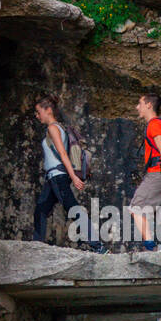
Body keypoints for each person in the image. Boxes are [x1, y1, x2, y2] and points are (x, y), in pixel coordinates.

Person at [32, 95, 106, 252]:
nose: (37, 116)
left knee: (73, 209)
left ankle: (98, 246)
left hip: (58, 177)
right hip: (53, 178)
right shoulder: (59, 128)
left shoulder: (53, 128)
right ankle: (36, 246)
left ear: (48, 110)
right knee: (40, 209)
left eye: (39, 112)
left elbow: (63, 154)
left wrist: (73, 176)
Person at [130, 92, 161, 251]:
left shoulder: (154, 124)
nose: (138, 107)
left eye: (140, 103)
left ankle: (150, 246)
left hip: (158, 174)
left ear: (149, 105)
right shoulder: (160, 123)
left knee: (136, 208)